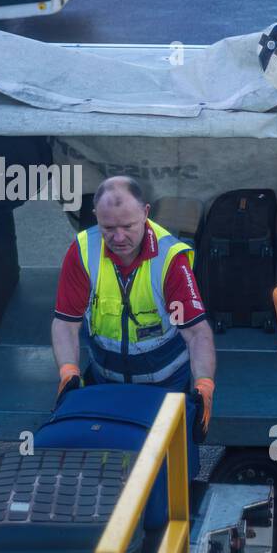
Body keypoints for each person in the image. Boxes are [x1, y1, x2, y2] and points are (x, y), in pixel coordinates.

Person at [51, 175, 217, 435]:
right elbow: (65, 323)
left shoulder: (170, 259)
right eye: (108, 227)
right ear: (96, 216)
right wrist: (68, 370)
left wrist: (204, 386)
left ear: (146, 212)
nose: (118, 237)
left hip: (166, 387)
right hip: (106, 383)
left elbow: (197, 333)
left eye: (128, 226)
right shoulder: (82, 251)